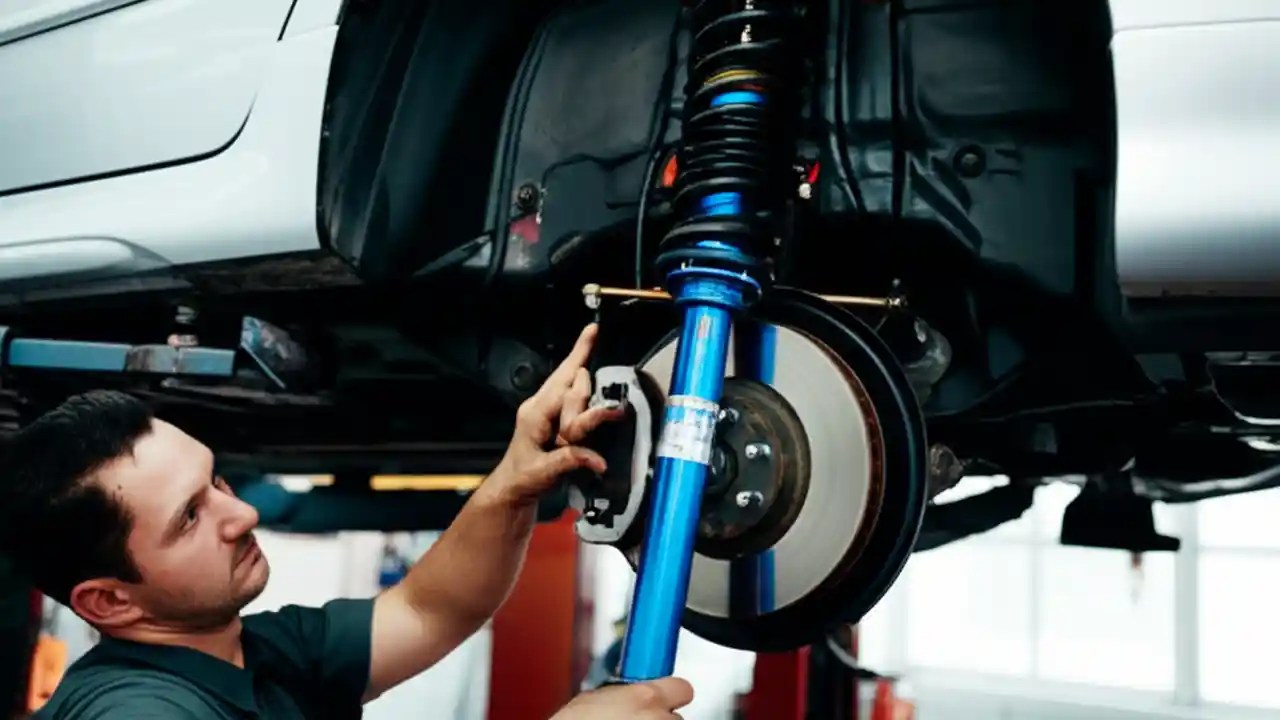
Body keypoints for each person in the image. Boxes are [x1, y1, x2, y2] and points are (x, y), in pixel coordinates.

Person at [0, 324, 693, 719]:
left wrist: (513, 481)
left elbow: (428, 610)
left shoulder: (251, 649)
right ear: (109, 601)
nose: (241, 514)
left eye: (215, 481)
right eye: (189, 519)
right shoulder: (134, 714)